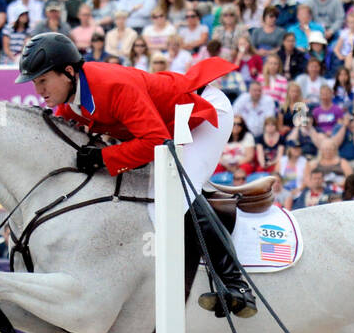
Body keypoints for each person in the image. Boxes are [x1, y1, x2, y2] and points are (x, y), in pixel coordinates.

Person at [15, 32, 255, 318]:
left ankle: (235, 284)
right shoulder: (69, 105)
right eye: (35, 82)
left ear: (68, 72)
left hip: (200, 114)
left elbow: (155, 141)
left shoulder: (112, 85)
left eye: (42, 80)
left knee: (173, 196)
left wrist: (104, 157)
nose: (38, 88)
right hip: (171, 124)